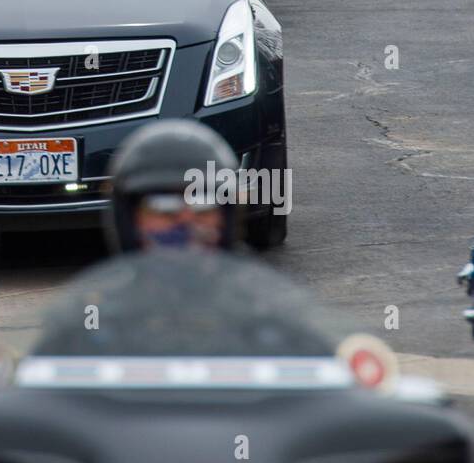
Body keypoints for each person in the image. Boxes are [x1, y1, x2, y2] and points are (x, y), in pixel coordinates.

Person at [28, 120, 347, 360]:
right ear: (128, 220)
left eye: (201, 205)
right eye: (164, 207)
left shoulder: (272, 316)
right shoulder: (89, 324)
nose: (185, 221)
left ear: (226, 215)